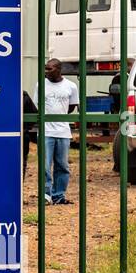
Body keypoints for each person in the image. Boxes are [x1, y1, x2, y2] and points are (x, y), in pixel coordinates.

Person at [34, 58, 79, 205]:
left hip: (63, 131)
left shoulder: (71, 86)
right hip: (46, 131)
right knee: (45, 165)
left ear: (59, 69)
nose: (46, 72)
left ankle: (59, 195)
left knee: (62, 165)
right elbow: (37, 106)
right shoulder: (40, 85)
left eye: (49, 69)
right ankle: (46, 195)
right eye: (45, 69)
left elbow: (71, 107)